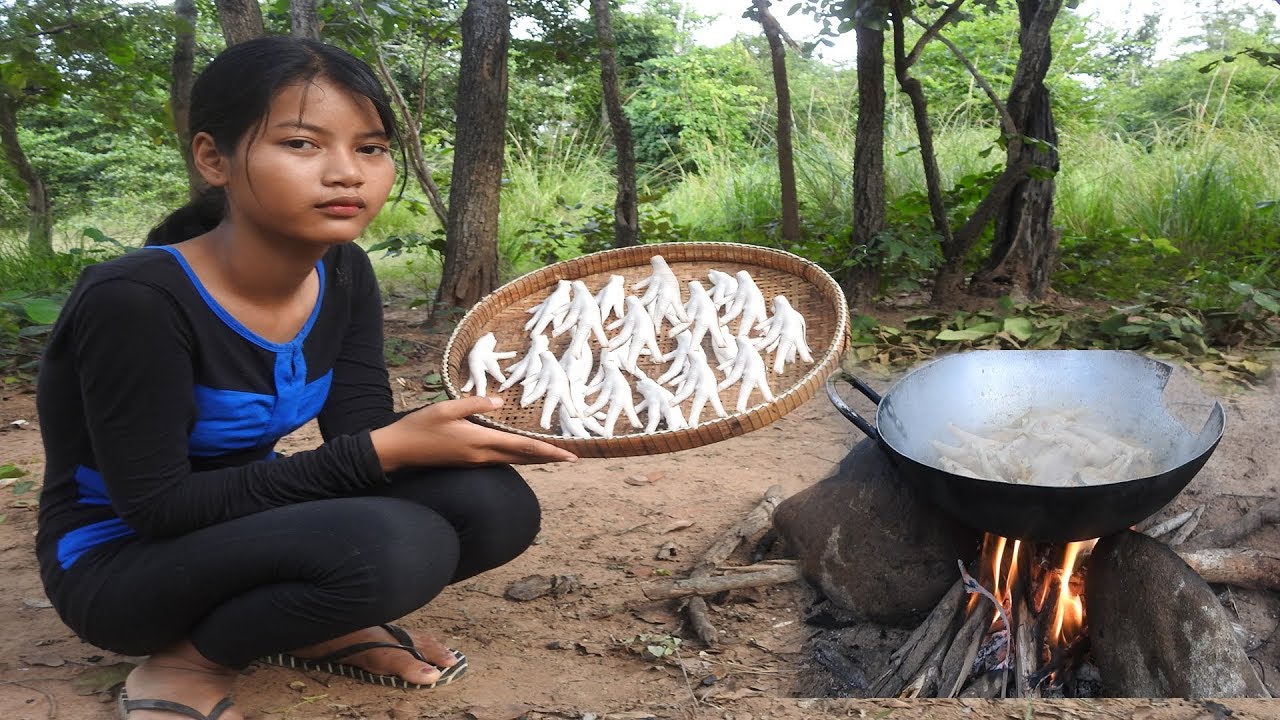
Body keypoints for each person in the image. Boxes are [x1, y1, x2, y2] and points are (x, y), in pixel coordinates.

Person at [34, 36, 577, 720]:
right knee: (396, 546)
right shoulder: (135, 300)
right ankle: (191, 661)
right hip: (120, 560)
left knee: (494, 507)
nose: (347, 174)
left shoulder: (343, 271)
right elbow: (156, 507)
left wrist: (486, 423)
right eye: (301, 144)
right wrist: (383, 451)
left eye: (371, 148)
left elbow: (362, 428)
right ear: (213, 159)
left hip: (244, 522)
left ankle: (306, 623)